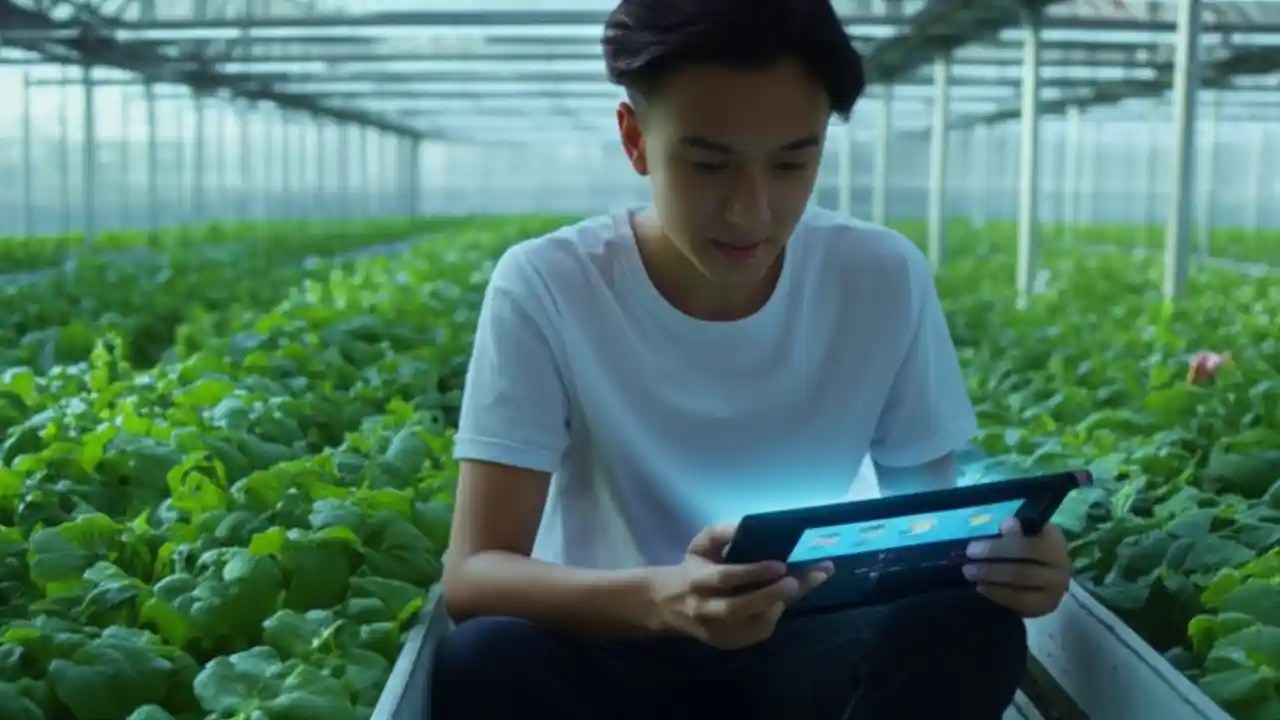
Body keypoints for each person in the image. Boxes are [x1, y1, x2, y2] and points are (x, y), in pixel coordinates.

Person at [430, 1, 1073, 718]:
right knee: (486, 659)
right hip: (618, 637)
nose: (751, 210)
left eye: (794, 162)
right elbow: (475, 575)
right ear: (636, 139)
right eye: (709, 165)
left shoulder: (880, 276)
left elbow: (925, 540)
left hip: (802, 639)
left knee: (967, 627)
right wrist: (662, 599)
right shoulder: (549, 283)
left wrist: (1009, 564)